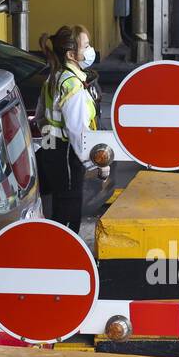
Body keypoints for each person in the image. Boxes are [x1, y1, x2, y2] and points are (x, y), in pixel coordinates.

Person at [34, 24, 106, 231]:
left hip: (52, 150)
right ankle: (62, 256)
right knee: (68, 213)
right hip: (66, 153)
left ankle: (56, 254)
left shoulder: (54, 77)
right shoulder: (73, 85)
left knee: (59, 205)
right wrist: (95, 164)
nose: (90, 50)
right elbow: (77, 132)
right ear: (72, 54)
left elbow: (40, 117)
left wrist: (50, 142)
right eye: (86, 46)